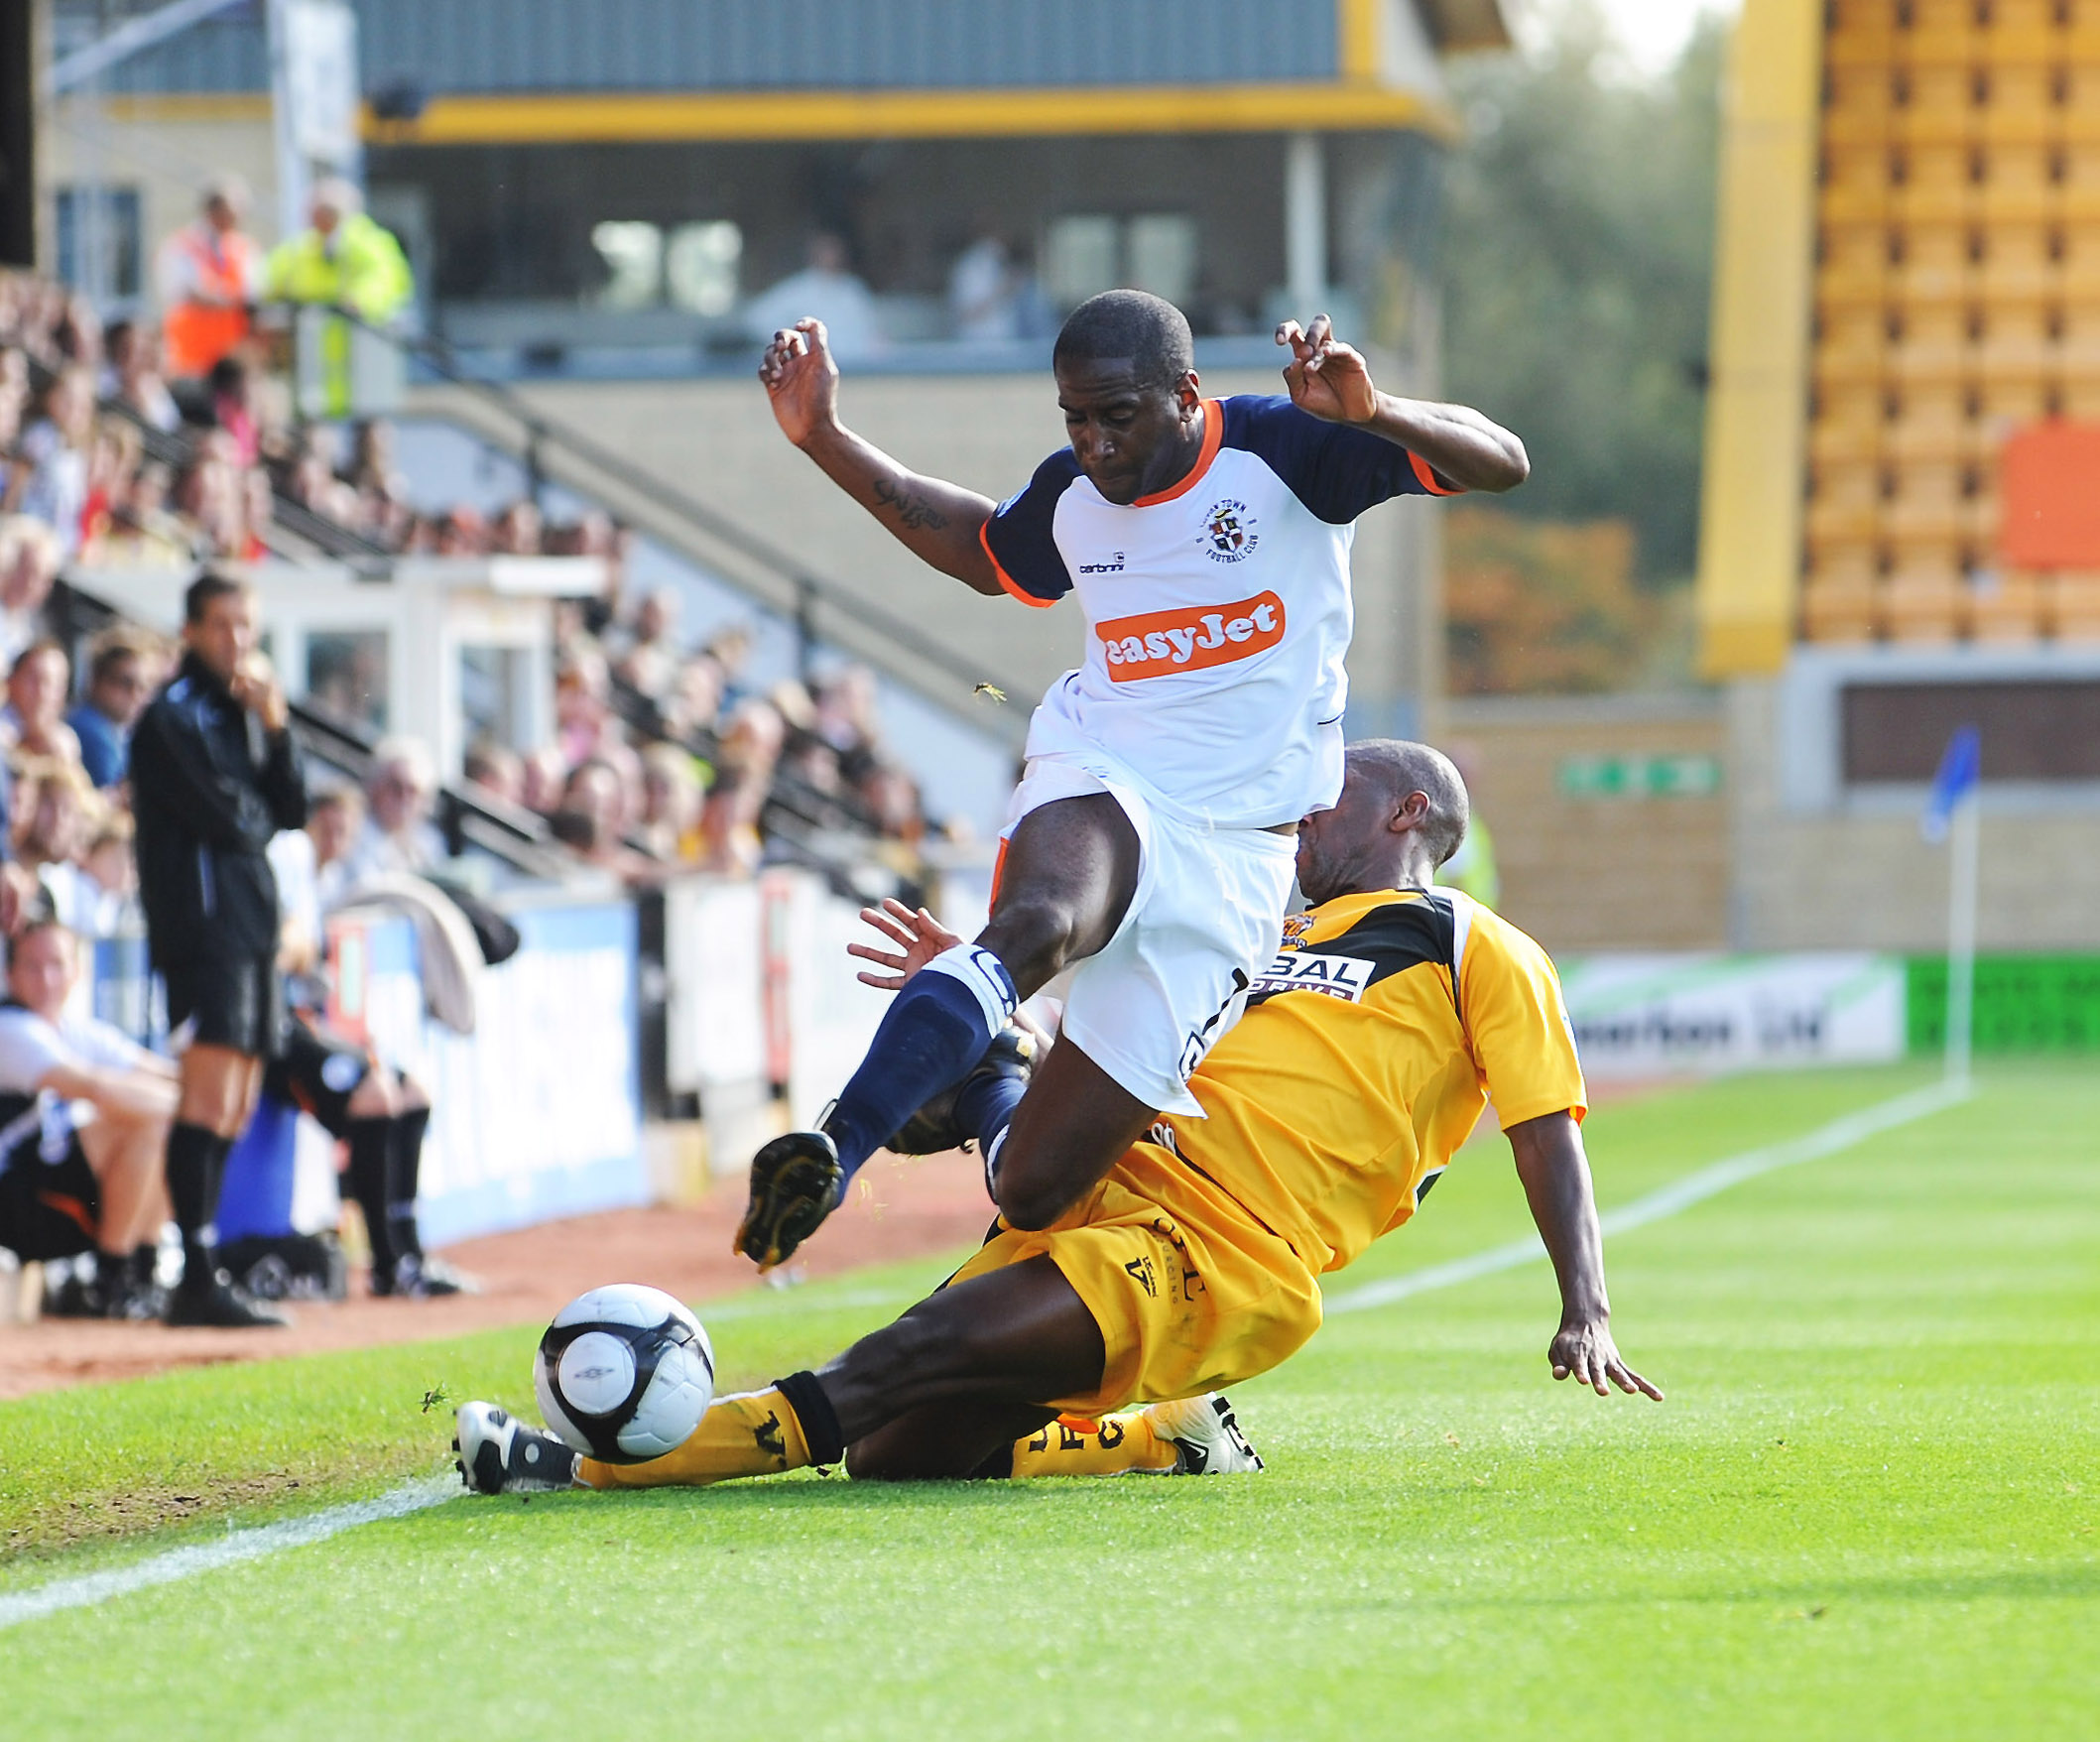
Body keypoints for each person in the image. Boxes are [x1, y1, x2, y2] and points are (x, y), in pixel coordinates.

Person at [455, 740, 1657, 1495]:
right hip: (1101, 1179)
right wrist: (990, 993)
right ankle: (1160, 1436)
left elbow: (1543, 1124)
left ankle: (595, 1466)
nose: (1301, 810)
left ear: (1405, 814)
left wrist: (1584, 1305)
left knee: (898, 1360)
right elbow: (1129, 1048)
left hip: (1220, 1251)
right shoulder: (1256, 931)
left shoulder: (1469, 943)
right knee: (895, 1453)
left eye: (1328, 794)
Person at [734, 291, 1528, 1272]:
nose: (1094, 443)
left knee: (1034, 1185)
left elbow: (1501, 461)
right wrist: (823, 437)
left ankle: (996, 1068)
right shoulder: (1072, 492)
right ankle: (836, 1148)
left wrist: (1378, 413)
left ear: (1185, 395)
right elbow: (981, 550)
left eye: (1116, 415)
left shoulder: (1289, 448)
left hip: (1240, 851)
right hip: (1109, 765)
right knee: (1040, 922)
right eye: (1074, 417)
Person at [130, 572, 308, 1327]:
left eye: (246, 624)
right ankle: (195, 1276)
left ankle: (205, 1267)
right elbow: (236, 821)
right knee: (206, 1098)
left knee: (235, 1103)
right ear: (192, 630)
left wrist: (276, 727)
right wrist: (260, 802)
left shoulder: (243, 712)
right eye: (222, 624)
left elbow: (290, 810)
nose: (237, 639)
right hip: (203, 932)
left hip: (251, 928)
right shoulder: (171, 718)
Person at [0, 917, 179, 1319]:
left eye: (57, 964)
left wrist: (208, 1092)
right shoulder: (10, 1027)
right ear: (9, 975)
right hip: (14, 1201)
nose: (46, 979)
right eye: (32, 966)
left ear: (77, 972)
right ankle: (109, 1281)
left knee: (168, 1125)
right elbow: (96, 1087)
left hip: (56, 1192)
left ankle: (142, 1275)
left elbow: (158, 1072)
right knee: (148, 1121)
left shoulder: (76, 1030)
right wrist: (190, 1111)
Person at [263, 180, 415, 326]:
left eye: (327, 212)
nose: (319, 219)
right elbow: (270, 282)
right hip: (313, 336)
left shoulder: (367, 242)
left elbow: (386, 280)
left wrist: (359, 301)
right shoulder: (301, 248)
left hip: (354, 336)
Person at [154, 177, 262, 382]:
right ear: (214, 209)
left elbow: (254, 293)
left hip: (232, 359)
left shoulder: (243, 247)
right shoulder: (182, 245)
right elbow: (186, 291)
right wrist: (228, 298)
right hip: (190, 358)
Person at [745, 233, 883, 363]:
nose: (830, 256)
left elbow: (872, 334)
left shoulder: (853, 290)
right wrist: (792, 345)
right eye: (825, 250)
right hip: (812, 371)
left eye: (834, 250)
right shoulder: (797, 289)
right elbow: (756, 320)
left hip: (856, 370)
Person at [67, 629, 159, 790]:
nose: (135, 694)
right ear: (96, 680)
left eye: (143, 686)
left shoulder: (118, 733)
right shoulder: (91, 729)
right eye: (125, 682)